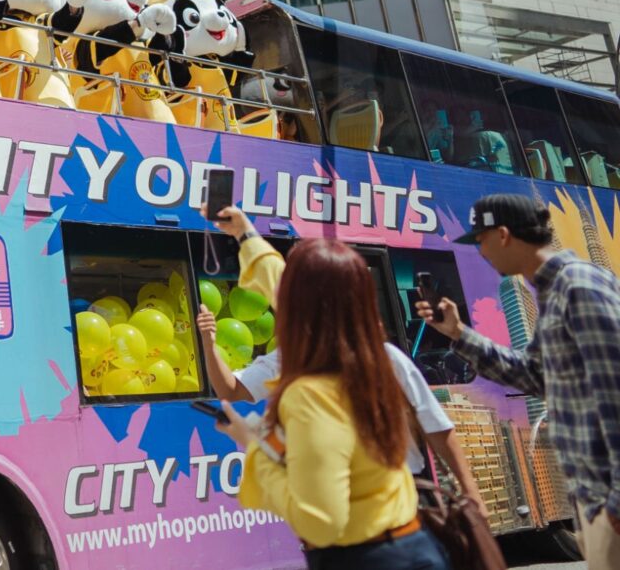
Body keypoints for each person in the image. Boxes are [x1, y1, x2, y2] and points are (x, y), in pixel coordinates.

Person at [199, 208, 485, 515]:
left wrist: (473, 498)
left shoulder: (384, 359)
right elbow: (235, 390)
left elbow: (438, 429)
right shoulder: (291, 361)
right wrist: (244, 232)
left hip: (397, 504)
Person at [216, 236, 449, 568]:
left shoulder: (309, 393)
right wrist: (244, 233)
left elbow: (321, 524)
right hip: (412, 544)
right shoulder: (375, 363)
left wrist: (255, 448)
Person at [418, 193, 620, 567]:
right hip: (596, 497)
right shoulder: (557, 291)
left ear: (505, 235)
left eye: (480, 240)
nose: (480, 252)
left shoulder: (577, 287)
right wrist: (459, 334)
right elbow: (536, 376)